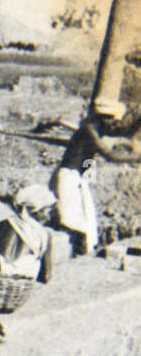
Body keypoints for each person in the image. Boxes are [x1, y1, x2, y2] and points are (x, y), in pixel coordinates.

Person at [51, 102, 141, 257]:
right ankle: (73, 255)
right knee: (71, 220)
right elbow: (109, 155)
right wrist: (136, 157)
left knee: (88, 221)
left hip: (78, 178)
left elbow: (125, 134)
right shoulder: (89, 130)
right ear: (101, 118)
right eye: (112, 120)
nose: (114, 124)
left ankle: (84, 253)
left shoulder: (97, 130)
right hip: (67, 177)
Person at [0, 184, 55, 283]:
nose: (49, 217)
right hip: (19, 284)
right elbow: (46, 277)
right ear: (37, 210)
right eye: (48, 211)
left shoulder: (5, 223)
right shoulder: (44, 234)